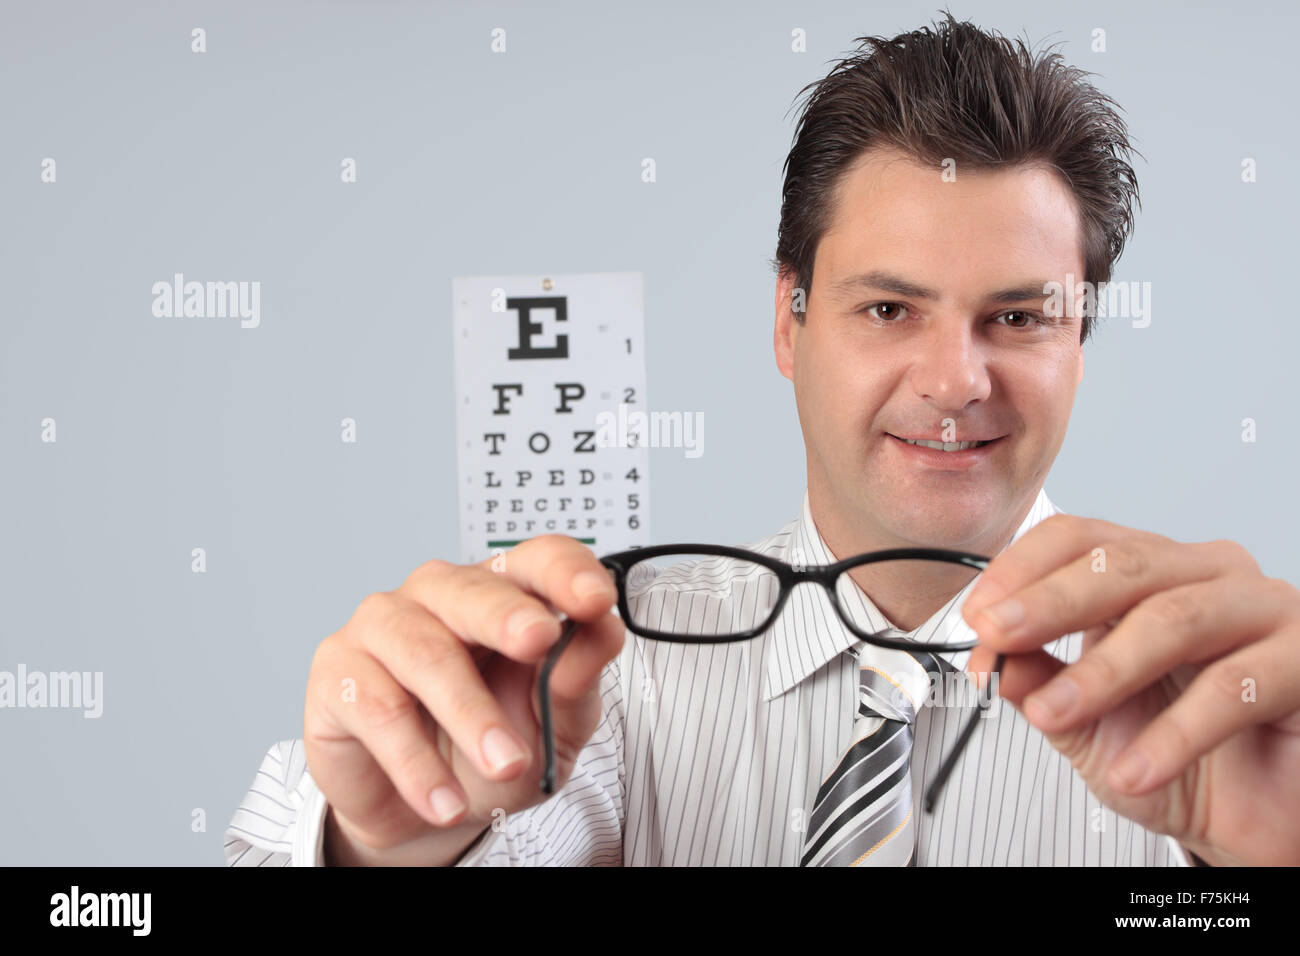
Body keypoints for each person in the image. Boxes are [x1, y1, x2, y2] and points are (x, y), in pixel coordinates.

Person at [225, 13, 1300, 867]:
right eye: (888, 310)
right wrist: (391, 841)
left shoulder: (1227, 712)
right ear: (787, 319)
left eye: (1017, 317)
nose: (953, 380)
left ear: (1080, 339)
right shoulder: (610, 673)